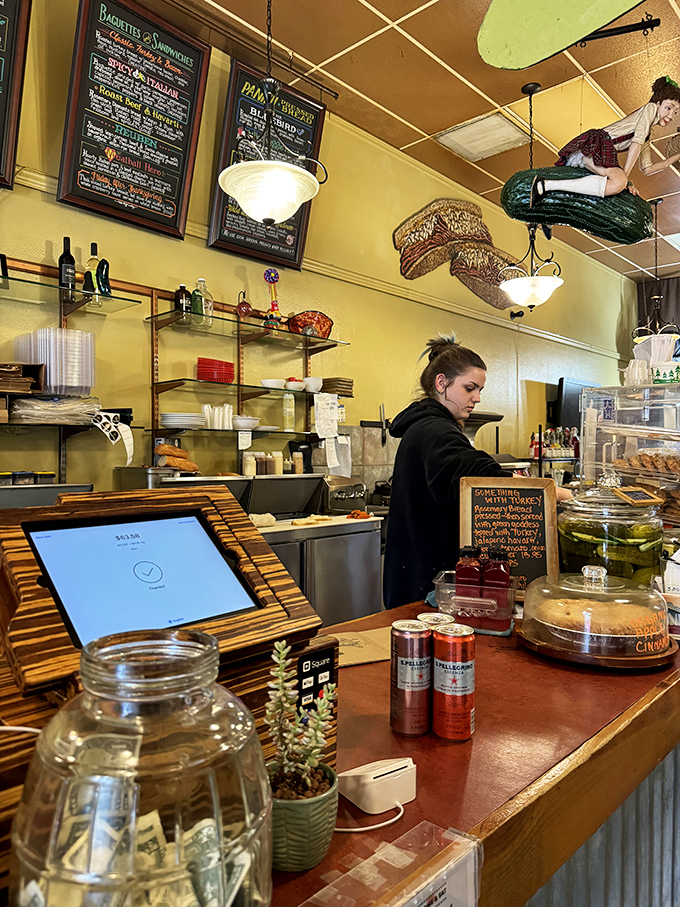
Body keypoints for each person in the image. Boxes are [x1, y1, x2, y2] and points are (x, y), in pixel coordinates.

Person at [383, 335, 572, 610]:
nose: (477, 398)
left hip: (414, 575)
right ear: (441, 383)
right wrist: (555, 493)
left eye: (479, 389)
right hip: (424, 583)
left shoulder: (426, 426)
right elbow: (475, 472)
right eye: (469, 388)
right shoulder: (434, 429)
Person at [531, 76, 680, 206]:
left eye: (675, 112)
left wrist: (674, 158)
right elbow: (636, 142)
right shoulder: (650, 108)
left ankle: (548, 192)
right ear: (658, 103)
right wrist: (624, 179)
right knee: (618, 183)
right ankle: (546, 184)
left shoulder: (648, 133)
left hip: (601, 151)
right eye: (668, 108)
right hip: (597, 144)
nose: (671, 115)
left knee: (615, 183)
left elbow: (647, 169)